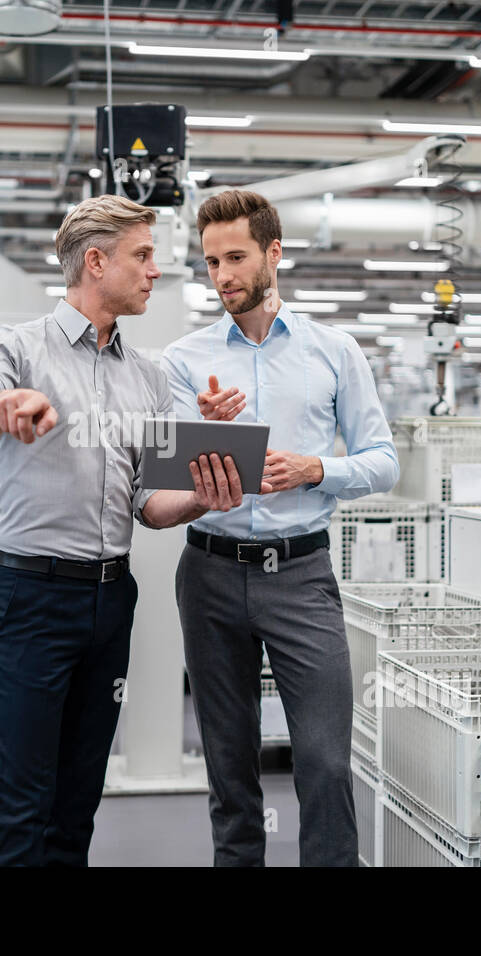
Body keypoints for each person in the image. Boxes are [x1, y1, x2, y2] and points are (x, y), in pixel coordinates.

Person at [0, 193, 252, 866]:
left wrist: (203, 495)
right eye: (142, 257)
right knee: (20, 800)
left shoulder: (148, 376)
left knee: (77, 800)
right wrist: (4, 404)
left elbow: (149, 503)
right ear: (95, 261)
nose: (154, 272)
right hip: (30, 599)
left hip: (111, 599)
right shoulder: (18, 349)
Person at [161, 189, 400, 866]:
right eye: (210, 262)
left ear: (273, 253)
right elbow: (169, 474)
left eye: (235, 257)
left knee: (325, 762)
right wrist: (202, 428)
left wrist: (315, 470)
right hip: (209, 573)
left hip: (300, 575)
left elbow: (384, 463)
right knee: (229, 768)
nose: (223, 275)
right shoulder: (185, 360)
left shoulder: (334, 351)